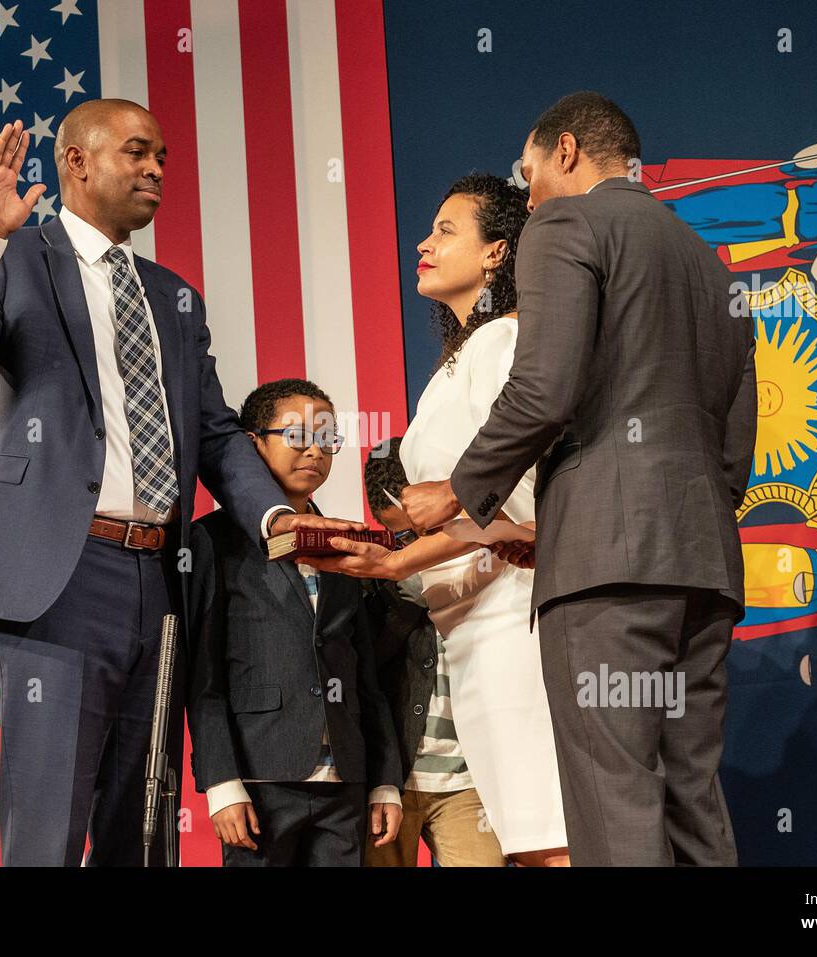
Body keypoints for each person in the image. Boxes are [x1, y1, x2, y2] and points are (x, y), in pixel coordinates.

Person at [0, 100, 360, 866]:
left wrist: (275, 516)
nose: (155, 170)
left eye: (165, 158)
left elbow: (214, 432)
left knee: (142, 832)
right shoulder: (13, 261)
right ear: (76, 162)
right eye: (138, 152)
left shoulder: (174, 295)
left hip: (160, 579)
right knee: (47, 831)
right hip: (56, 576)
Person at [401, 91, 757, 866]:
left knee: (614, 795)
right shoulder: (712, 264)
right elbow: (735, 451)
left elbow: (545, 389)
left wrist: (455, 489)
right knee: (692, 793)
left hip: (606, 566)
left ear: (566, 152)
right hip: (703, 564)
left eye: (528, 175)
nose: (526, 199)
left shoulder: (567, 224)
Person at [304, 174, 569, 866]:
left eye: (447, 230)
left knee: (549, 843)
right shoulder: (457, 360)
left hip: (513, 621)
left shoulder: (502, 341)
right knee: (528, 844)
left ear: (494, 255)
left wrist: (399, 558)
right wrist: (392, 560)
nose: (423, 242)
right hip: (472, 633)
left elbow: (520, 505)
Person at [186, 380, 402, 866]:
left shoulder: (348, 542)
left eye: (327, 439)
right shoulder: (212, 542)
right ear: (252, 442)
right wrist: (221, 783)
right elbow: (202, 676)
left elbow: (365, 677)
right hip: (259, 781)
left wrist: (384, 779)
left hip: (345, 783)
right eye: (298, 435)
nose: (314, 451)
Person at [359, 438, 507, 867]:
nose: (419, 546)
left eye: (428, 533)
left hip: (468, 779)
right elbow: (364, 671)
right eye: (404, 536)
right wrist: (404, 591)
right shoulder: (374, 582)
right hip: (390, 783)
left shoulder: (493, 558)